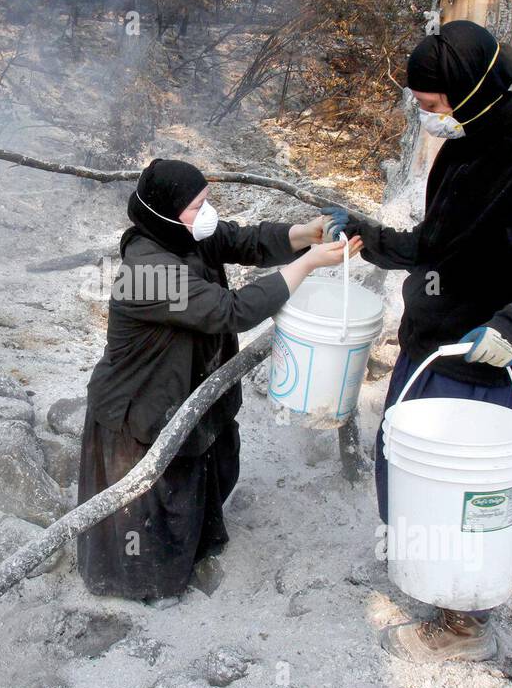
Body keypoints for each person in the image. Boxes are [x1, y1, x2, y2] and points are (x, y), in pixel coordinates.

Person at [324, 20, 512, 662]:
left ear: (471, 91)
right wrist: (370, 236)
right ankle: (424, 576)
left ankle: (463, 625)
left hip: (481, 359)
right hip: (433, 342)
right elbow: (437, 246)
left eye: (431, 104)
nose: (425, 115)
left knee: (457, 495)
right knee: (404, 466)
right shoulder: (465, 143)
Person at [78, 158, 358, 606]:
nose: (207, 213)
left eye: (207, 201)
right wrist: (308, 265)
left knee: (210, 466)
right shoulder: (148, 270)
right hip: (143, 403)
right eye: (197, 206)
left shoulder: (187, 235)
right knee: (148, 502)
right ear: (165, 212)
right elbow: (229, 310)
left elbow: (244, 239)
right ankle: (140, 583)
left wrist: (307, 233)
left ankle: (193, 549)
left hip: (189, 387)